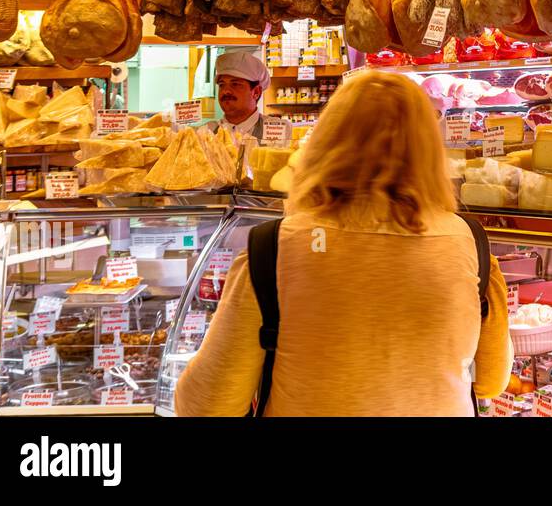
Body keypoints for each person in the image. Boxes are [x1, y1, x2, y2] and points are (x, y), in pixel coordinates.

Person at [174, 71, 512, 416]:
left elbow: (208, 404)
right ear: (429, 147)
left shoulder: (273, 249)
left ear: (326, 139)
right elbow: (488, 379)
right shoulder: (470, 244)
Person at [210, 50, 272, 138]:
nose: (225, 91)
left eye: (235, 84)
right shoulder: (206, 132)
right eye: (222, 85)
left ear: (256, 92)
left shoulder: (278, 131)